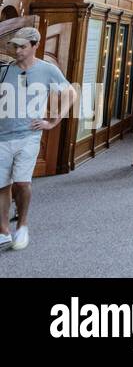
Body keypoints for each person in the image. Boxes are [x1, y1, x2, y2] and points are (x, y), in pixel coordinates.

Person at [0, 27, 72, 251]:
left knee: (22, 182)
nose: (17, 51)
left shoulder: (47, 70)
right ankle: (3, 231)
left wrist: (53, 121)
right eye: (15, 46)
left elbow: (70, 92)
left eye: (22, 47)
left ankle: (22, 224)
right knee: (2, 186)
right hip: (2, 136)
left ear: (34, 46)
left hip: (28, 134)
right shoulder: (4, 70)